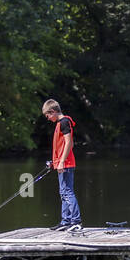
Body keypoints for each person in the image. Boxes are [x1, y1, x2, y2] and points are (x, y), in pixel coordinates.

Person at [42, 99, 82, 232]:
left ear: (52, 111)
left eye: (48, 115)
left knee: (67, 192)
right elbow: (60, 146)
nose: (48, 118)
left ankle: (76, 221)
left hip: (66, 163)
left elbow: (69, 143)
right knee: (63, 193)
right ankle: (65, 221)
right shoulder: (60, 123)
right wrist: (55, 162)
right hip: (62, 163)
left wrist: (62, 161)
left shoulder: (64, 122)